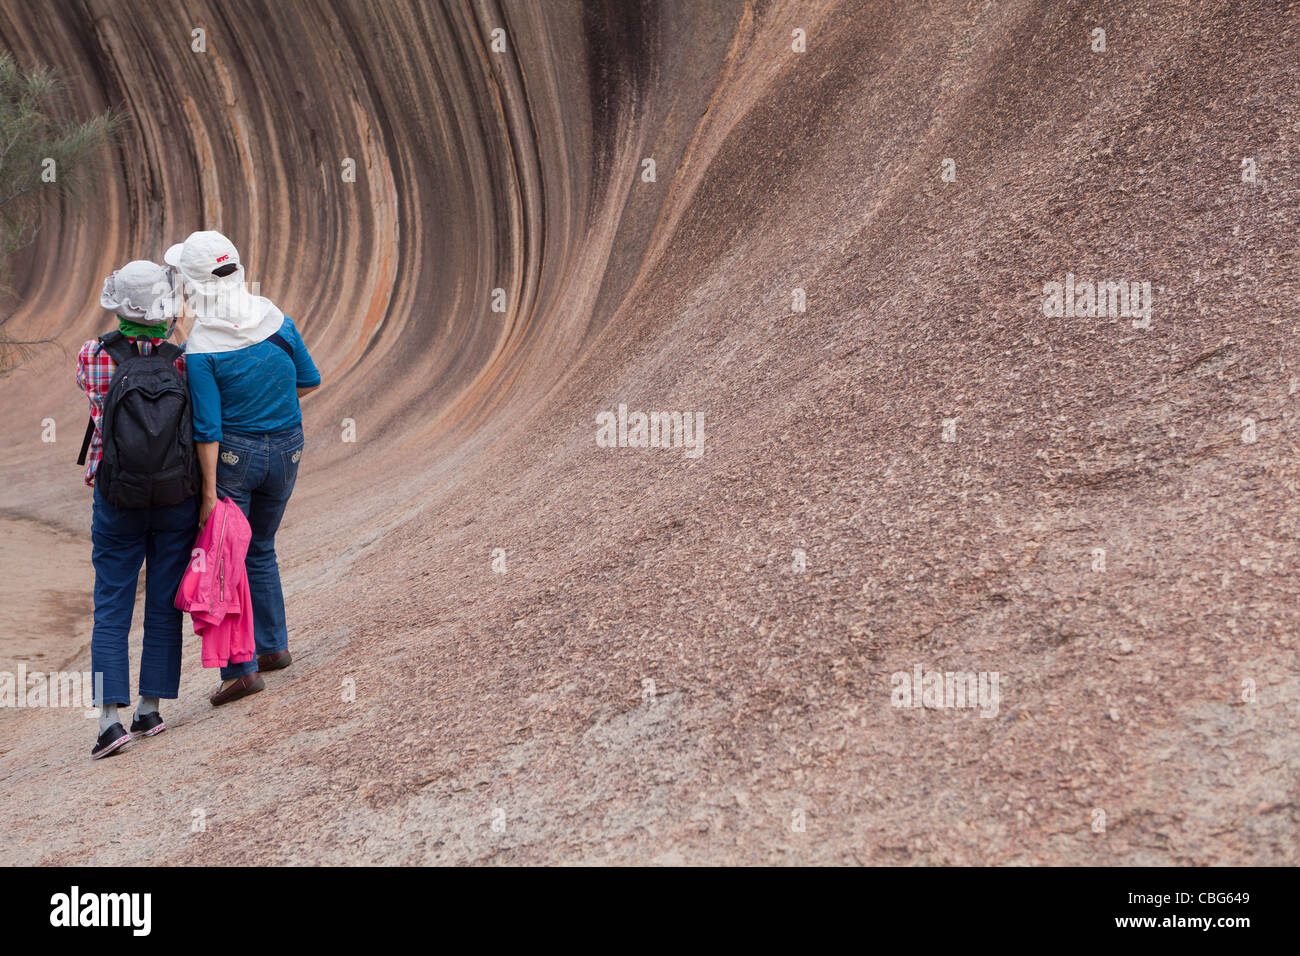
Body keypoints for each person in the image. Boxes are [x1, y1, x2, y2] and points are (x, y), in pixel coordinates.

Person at [166, 230, 321, 706]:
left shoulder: (202, 347)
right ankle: (274, 646)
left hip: (235, 458)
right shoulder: (277, 319)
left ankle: (241, 669)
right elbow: (308, 381)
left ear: (196, 285)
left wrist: (210, 491)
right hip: (289, 449)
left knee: (226, 556)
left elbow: (207, 429)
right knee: (262, 547)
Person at [77, 260, 198, 759]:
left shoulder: (93, 354)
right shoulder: (184, 358)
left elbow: (94, 404)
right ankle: (149, 709)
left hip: (116, 495)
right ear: (165, 307)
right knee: (165, 600)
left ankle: (109, 722)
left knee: (111, 605)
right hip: (175, 496)